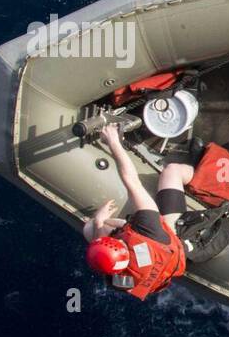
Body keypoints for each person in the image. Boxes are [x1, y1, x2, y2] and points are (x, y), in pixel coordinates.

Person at [82, 124, 195, 299]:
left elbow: (99, 240)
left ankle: (100, 224)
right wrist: (113, 141)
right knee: (172, 171)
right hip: (171, 242)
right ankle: (198, 172)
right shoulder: (148, 227)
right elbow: (131, 180)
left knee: (90, 228)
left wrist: (98, 223)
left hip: (155, 264)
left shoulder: (119, 277)